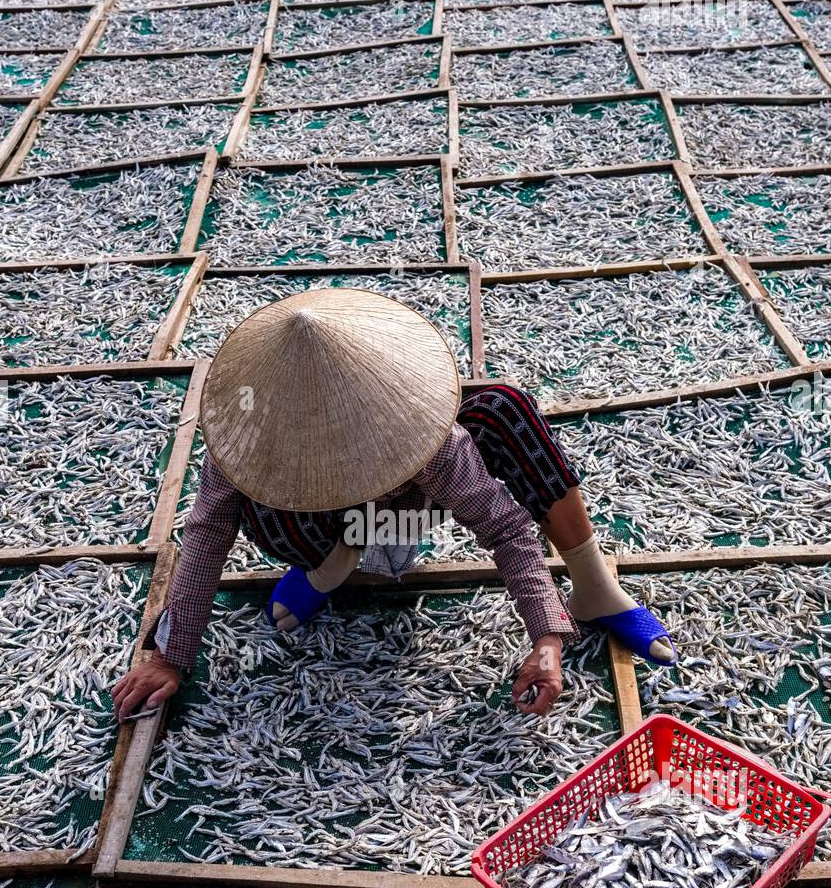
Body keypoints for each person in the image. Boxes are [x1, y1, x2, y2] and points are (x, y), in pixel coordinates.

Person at [112, 289, 675, 723]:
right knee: (257, 510)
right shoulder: (245, 436)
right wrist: (170, 653)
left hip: (406, 508)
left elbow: (505, 530)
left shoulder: (423, 438)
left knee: (504, 406)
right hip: (317, 532)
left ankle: (594, 587)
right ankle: (327, 568)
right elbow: (206, 535)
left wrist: (546, 638)